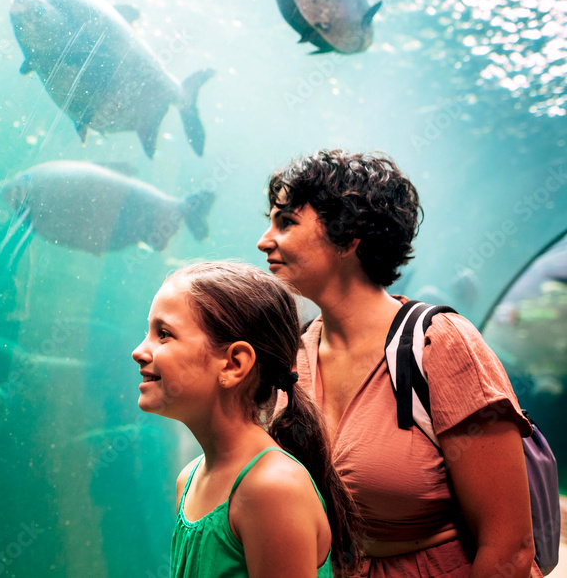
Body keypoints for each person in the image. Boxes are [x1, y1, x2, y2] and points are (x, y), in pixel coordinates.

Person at [257, 149, 542, 578]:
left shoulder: (440, 344)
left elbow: (510, 550)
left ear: (348, 235)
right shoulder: (292, 354)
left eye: (286, 222)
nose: (264, 240)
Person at [131, 261, 361, 578]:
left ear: (233, 364)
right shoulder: (189, 479)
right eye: (148, 333)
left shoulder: (272, 488)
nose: (139, 351)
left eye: (164, 334)